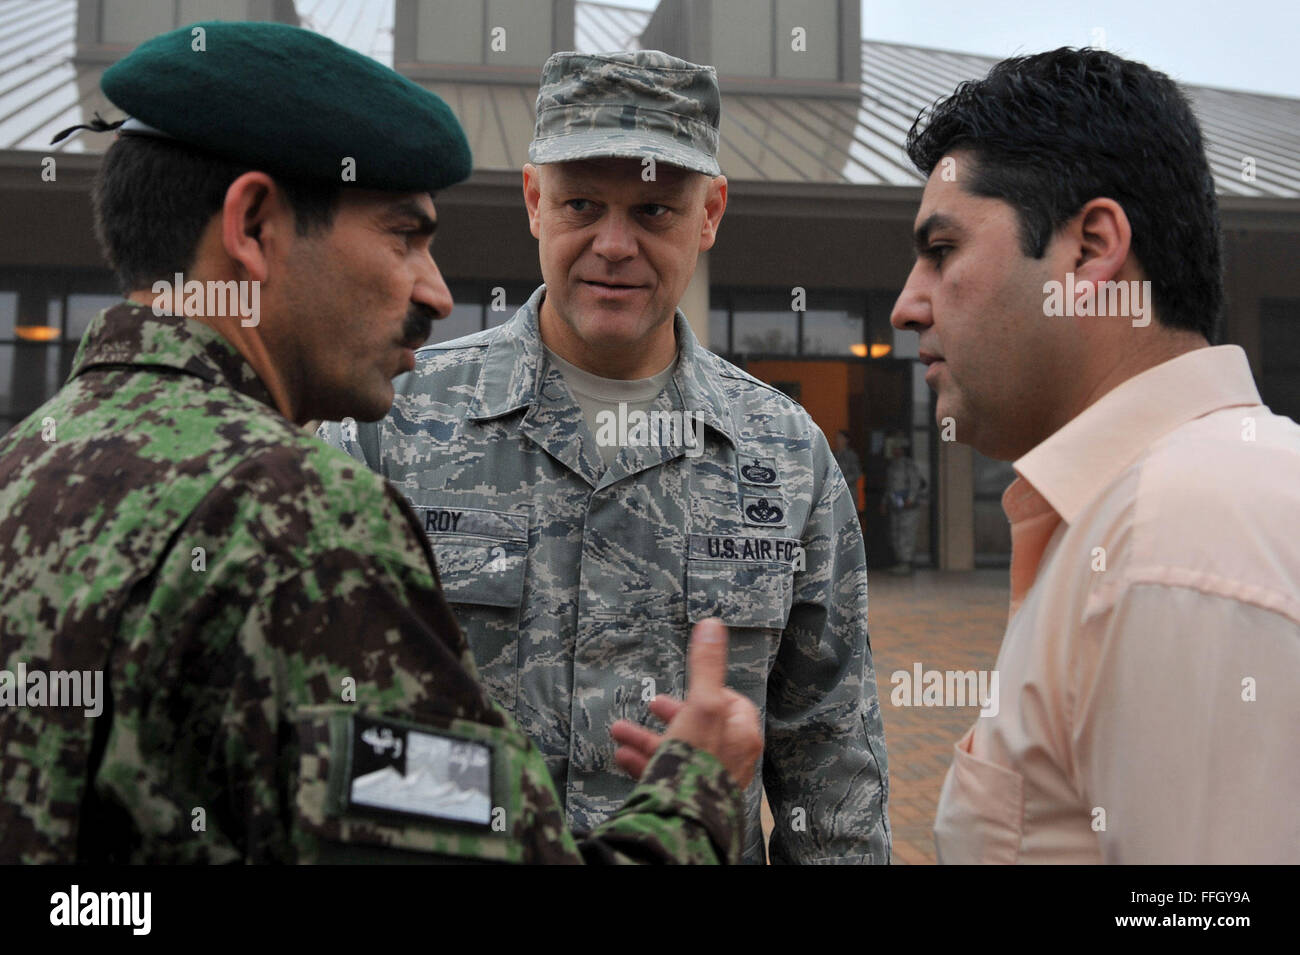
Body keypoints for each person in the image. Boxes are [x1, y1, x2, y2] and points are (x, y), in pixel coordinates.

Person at [0, 21, 761, 865]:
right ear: (253, 224)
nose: (436, 290)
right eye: (405, 235)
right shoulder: (298, 517)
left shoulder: (22, 470)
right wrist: (697, 792)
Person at [322, 50, 891, 864]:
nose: (614, 244)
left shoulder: (785, 454)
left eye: (655, 210)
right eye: (582, 204)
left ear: (710, 213)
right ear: (533, 202)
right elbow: (312, 726)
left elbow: (833, 770)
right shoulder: (389, 424)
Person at [891, 47, 1300, 863]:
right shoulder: (1150, 511)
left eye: (942, 250)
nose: (907, 305)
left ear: (1090, 251)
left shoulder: (1176, 535)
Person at [878, 433, 924, 575]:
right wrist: (884, 503)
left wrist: (910, 498)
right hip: (896, 505)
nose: (894, 450)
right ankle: (900, 562)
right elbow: (890, 487)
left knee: (906, 534)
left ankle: (906, 563)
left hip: (908, 507)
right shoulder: (892, 466)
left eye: (897, 448)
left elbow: (915, 483)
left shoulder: (908, 465)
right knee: (896, 534)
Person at [833, 429, 864, 513]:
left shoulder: (851, 455)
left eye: (840, 437)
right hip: (835, 493)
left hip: (848, 492)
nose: (837, 440)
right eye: (837, 438)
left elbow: (856, 474)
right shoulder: (833, 454)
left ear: (846, 440)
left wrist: (842, 481)